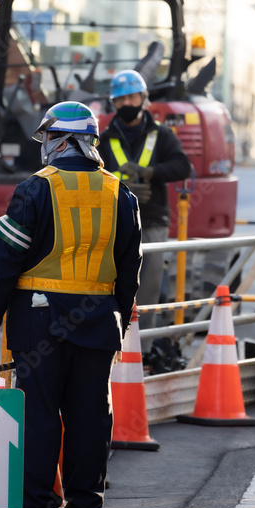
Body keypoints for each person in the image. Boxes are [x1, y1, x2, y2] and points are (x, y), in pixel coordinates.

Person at [0, 101, 142, 508]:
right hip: (99, 319)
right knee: (89, 414)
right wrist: (118, 319)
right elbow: (129, 270)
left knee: (40, 413)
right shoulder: (120, 192)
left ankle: (38, 507)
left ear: (64, 140)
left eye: (48, 137)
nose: (45, 145)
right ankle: (85, 505)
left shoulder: (34, 189)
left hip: (39, 319)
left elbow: (6, 260)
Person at [98, 70, 191, 328]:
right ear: (113, 103)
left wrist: (152, 172)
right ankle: (114, 347)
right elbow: (92, 176)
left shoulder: (162, 135)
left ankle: (144, 351)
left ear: (144, 98)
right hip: (113, 224)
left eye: (132, 97)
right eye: (120, 100)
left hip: (151, 223)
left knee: (147, 291)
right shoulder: (103, 139)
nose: (126, 104)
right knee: (111, 288)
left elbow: (183, 166)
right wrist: (120, 187)